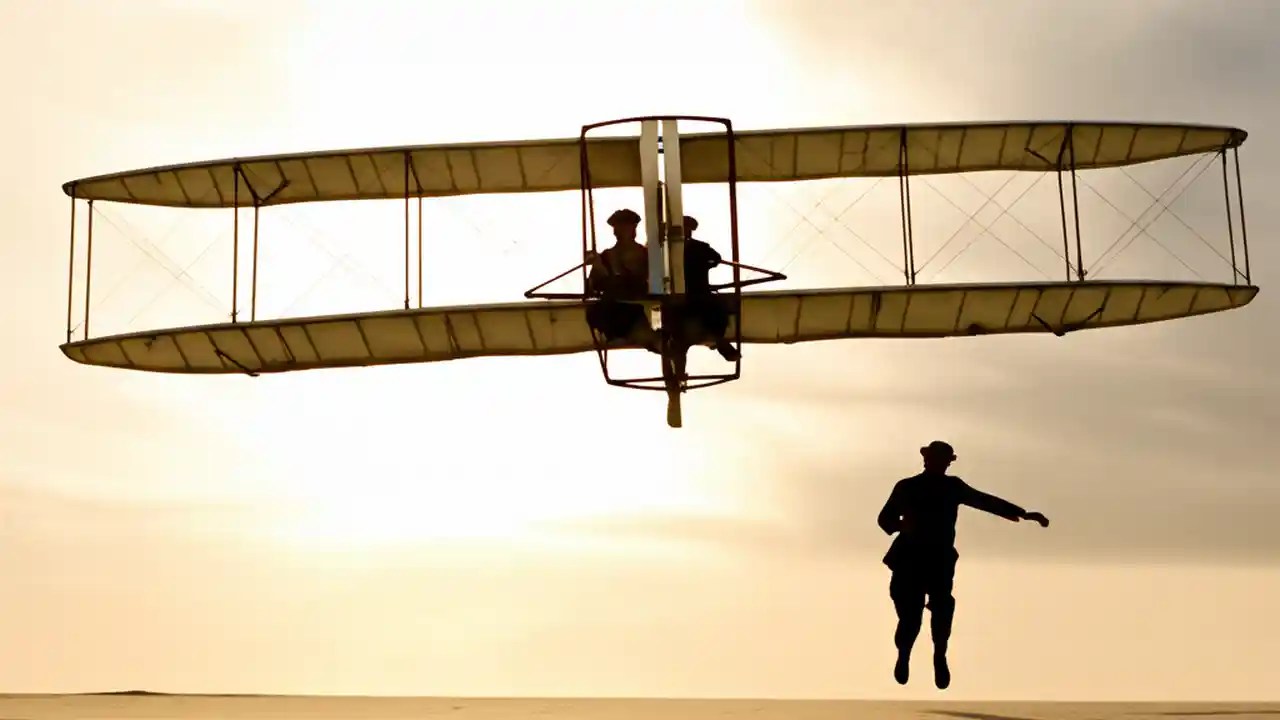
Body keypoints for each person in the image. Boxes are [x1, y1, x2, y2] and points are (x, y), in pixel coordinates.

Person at [876, 440, 1049, 690]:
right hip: (909, 558)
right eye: (934, 459)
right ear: (926, 460)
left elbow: (984, 500)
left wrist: (1022, 513)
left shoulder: (952, 487)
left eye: (943, 460)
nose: (938, 464)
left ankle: (939, 654)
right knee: (910, 618)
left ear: (947, 462)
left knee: (943, 607)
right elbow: (884, 519)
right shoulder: (907, 487)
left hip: (939, 558)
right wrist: (902, 525)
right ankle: (904, 655)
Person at [585, 208, 659, 353]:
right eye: (618, 227)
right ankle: (622, 334)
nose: (620, 230)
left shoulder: (646, 254)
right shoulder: (606, 256)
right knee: (593, 311)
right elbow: (593, 286)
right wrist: (597, 267)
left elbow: (656, 279)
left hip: (635, 303)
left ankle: (644, 337)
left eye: (625, 226)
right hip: (615, 305)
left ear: (634, 228)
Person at [672, 215, 739, 362]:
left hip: (694, 294)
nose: (687, 232)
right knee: (709, 311)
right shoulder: (687, 248)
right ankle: (717, 340)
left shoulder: (696, 247)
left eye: (689, 229)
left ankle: (717, 339)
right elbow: (715, 259)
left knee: (714, 311)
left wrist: (706, 263)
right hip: (687, 296)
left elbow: (716, 258)